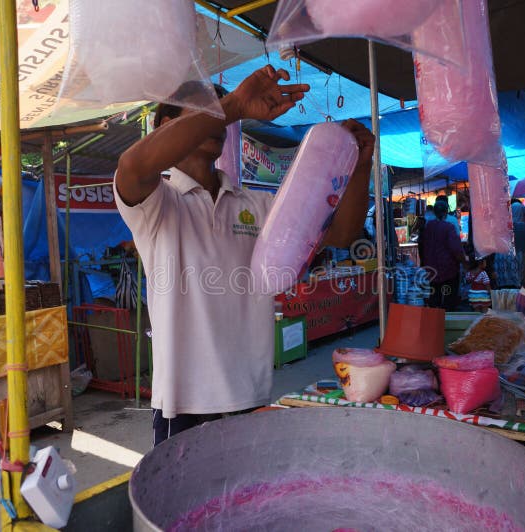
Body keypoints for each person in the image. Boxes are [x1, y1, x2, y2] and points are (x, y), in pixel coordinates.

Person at [115, 65, 375, 445]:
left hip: (250, 396)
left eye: (221, 112)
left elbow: (342, 234)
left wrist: (361, 163)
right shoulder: (156, 203)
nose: (220, 119)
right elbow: (132, 165)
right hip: (184, 405)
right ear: (165, 125)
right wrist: (234, 104)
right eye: (209, 110)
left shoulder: (257, 203)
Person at [418, 203, 467, 310]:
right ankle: (447, 322)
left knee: (435, 299)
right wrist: (464, 261)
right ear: (446, 213)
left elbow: (421, 244)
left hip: (431, 270)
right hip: (448, 269)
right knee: (449, 300)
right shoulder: (448, 227)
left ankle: (435, 322)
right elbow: (456, 248)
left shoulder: (427, 227)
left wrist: (423, 262)